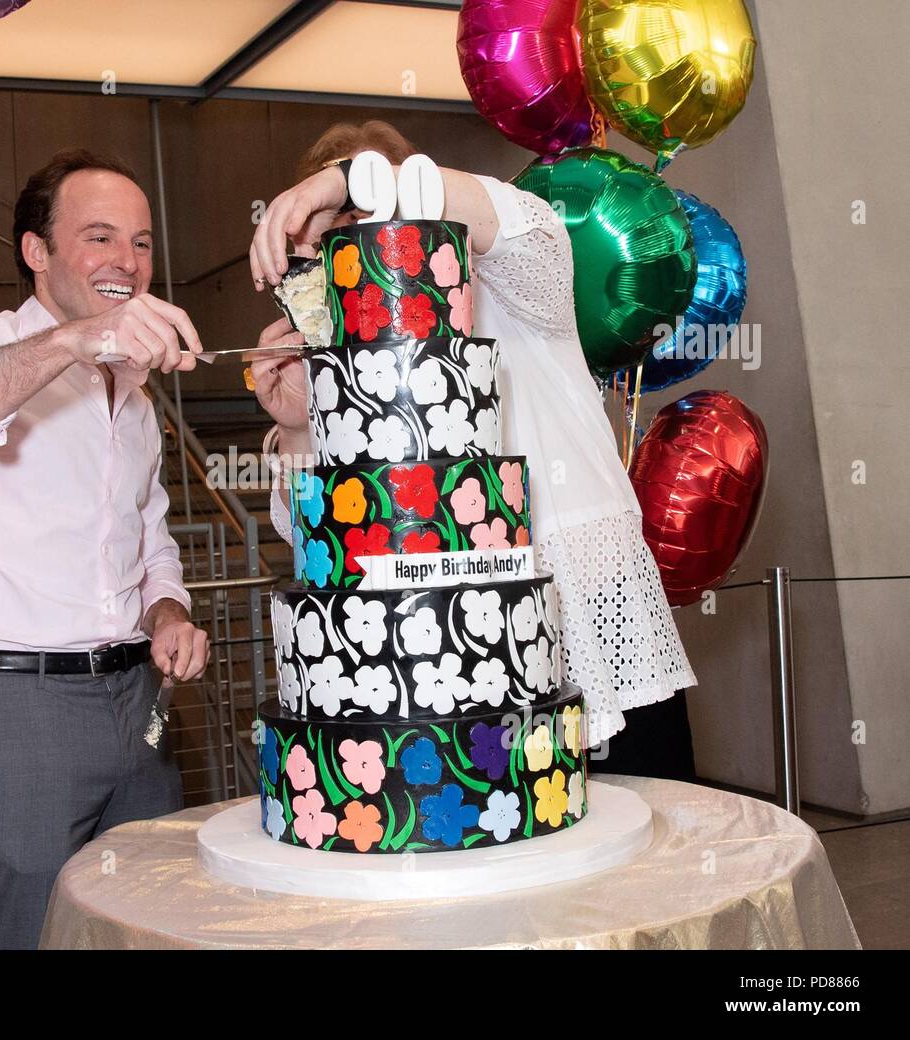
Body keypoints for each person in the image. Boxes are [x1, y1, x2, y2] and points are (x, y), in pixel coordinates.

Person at [248, 121, 697, 779]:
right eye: (339, 232)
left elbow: (527, 221)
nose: (368, 237)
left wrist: (347, 180)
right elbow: (324, 539)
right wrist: (295, 427)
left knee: (651, 859)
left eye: (372, 209)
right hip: (466, 667)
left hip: (599, 636)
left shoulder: (518, 284)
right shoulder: (349, 357)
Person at [0, 148, 210, 949]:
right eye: (99, 237)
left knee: (145, 925)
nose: (128, 263)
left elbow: (151, 534)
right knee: (30, 936)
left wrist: (168, 611)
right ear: (36, 252)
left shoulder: (133, 398)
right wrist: (77, 339)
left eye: (141, 243)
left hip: (134, 699)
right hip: (12, 708)